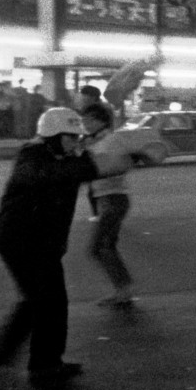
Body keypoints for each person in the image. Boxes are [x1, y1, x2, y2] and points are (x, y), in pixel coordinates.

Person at [0, 107, 128, 386]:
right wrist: (92, 164)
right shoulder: (33, 155)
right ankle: (44, 366)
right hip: (22, 242)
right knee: (50, 302)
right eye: (70, 137)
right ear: (53, 135)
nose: (76, 142)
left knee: (37, 301)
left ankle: (1, 354)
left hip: (38, 243)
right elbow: (48, 175)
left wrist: (128, 156)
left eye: (78, 137)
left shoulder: (63, 156)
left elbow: (85, 166)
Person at [80, 102, 137, 308]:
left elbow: (123, 165)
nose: (85, 124)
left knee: (98, 247)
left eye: (89, 120)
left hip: (115, 199)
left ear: (100, 121)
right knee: (106, 245)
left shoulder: (112, 140)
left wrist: (96, 166)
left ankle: (124, 290)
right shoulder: (90, 141)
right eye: (84, 120)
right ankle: (123, 290)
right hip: (106, 199)